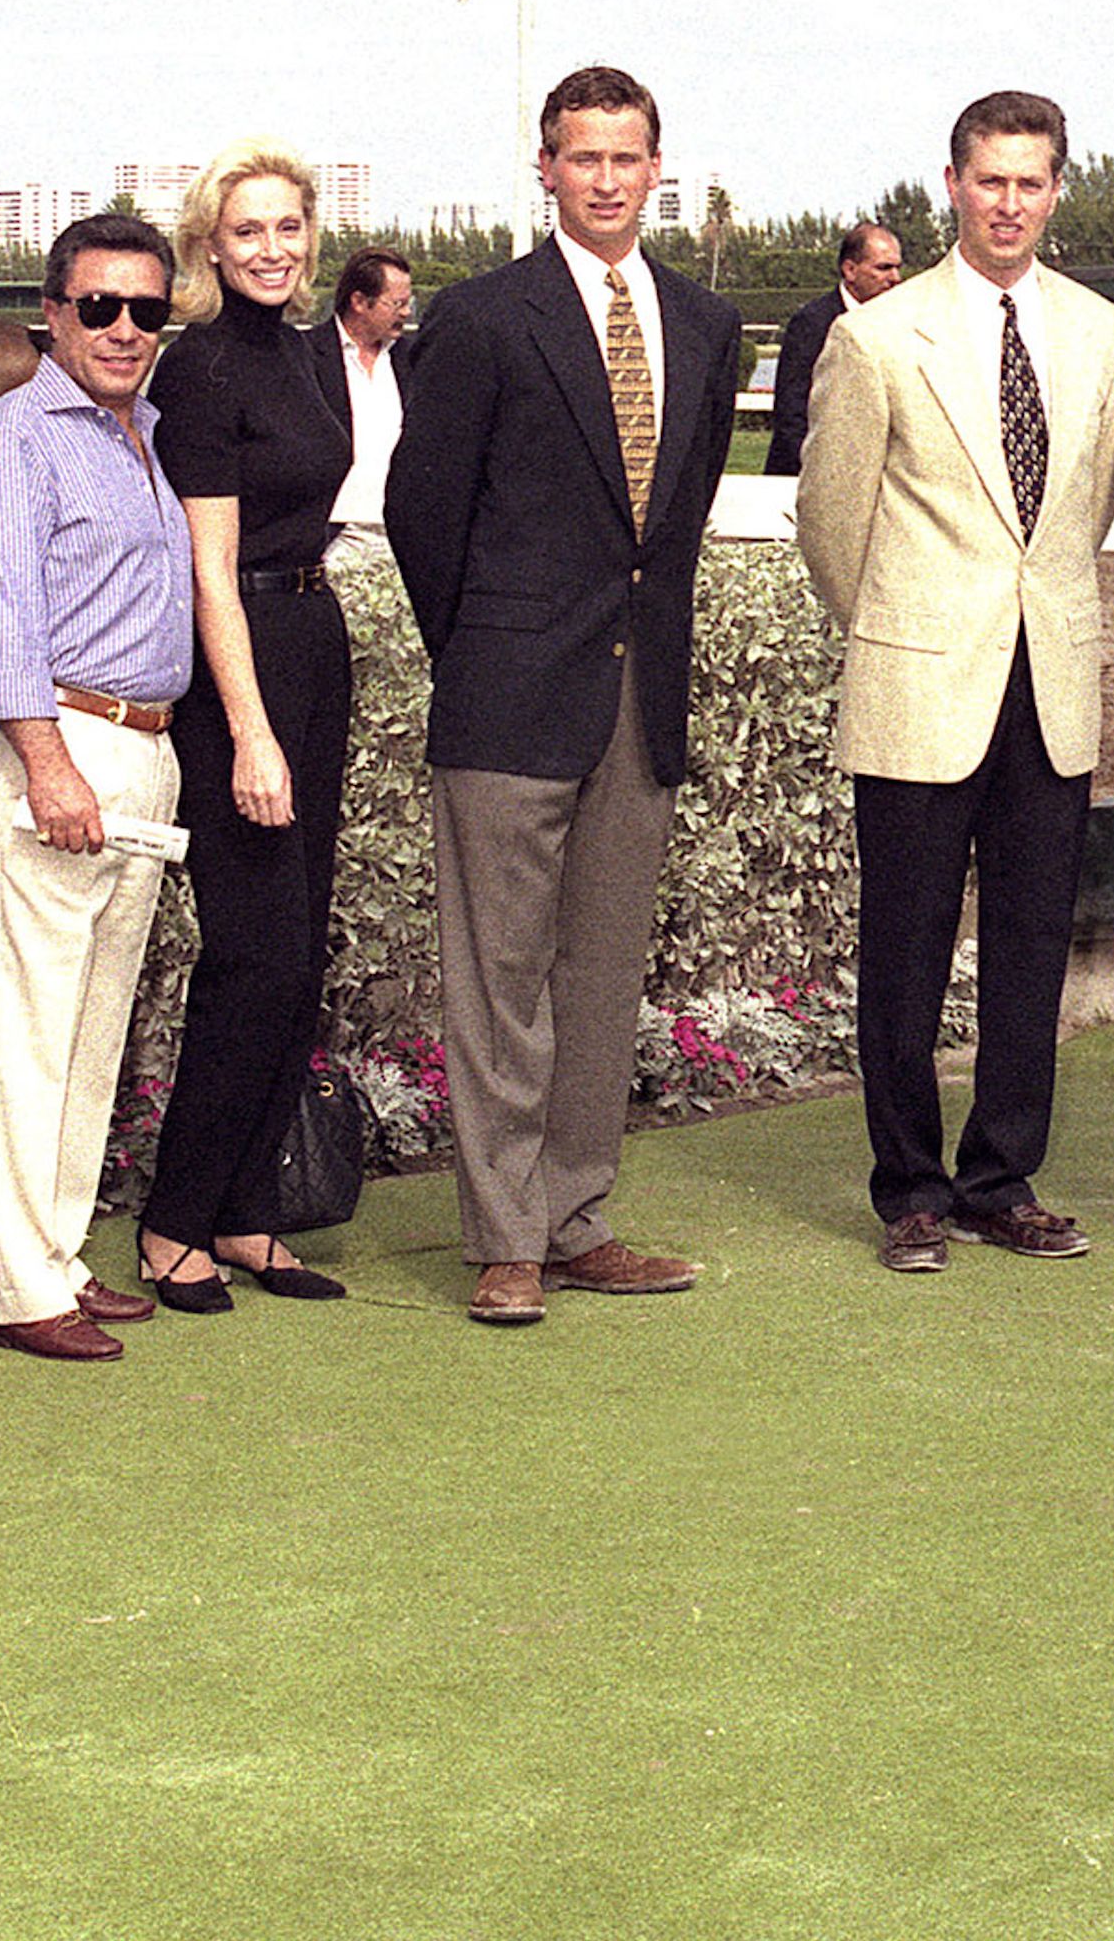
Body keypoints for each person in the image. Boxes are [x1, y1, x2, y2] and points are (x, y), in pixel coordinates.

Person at [386, 67, 742, 1328]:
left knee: (599, 977)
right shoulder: (483, 318)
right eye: (580, 157)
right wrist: (487, 645)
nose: (604, 178)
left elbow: (681, 516)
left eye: (625, 157)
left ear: (658, 168)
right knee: (500, 977)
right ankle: (504, 1238)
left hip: (638, 699)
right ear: (544, 167)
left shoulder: (702, 324)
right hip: (504, 696)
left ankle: (577, 1218)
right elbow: (423, 514)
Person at [798, 90, 1114, 1272]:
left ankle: (1002, 1179)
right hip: (916, 686)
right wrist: (908, 629)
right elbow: (831, 528)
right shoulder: (880, 335)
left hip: (1051, 685)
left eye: (1029, 181)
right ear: (950, 184)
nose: (1008, 202)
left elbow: (1081, 517)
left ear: (1055, 189)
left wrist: (1021, 611)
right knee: (904, 950)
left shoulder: (1104, 332)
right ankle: (910, 1193)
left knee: (1033, 949)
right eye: (987, 180)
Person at [0, 211, 194, 1362]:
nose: (124, 328)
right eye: (100, 305)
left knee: (94, 1029)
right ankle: (9, 1288)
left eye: (147, 308)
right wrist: (47, 764)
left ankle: (52, 1255)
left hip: (142, 748)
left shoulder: (143, 432)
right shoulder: (12, 439)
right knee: (26, 1026)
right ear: (51, 311)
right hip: (55, 747)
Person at [134, 142, 356, 1313]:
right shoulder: (204, 368)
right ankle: (173, 1220)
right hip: (245, 665)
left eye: (286, 227)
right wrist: (250, 732)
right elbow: (208, 573)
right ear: (208, 247)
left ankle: (244, 1211)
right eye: (246, 230)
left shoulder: (311, 354)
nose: (270, 248)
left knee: (301, 950)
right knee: (254, 955)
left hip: (318, 646)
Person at [763, 220, 903, 477]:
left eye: (897, 267)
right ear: (850, 270)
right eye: (884, 268)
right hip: (805, 477)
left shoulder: (899, 322)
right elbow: (792, 413)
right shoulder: (812, 323)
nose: (895, 278)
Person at [322, 244, 414, 553]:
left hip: (402, 537)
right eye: (397, 303)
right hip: (329, 540)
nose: (407, 312)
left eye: (408, 302)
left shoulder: (414, 359)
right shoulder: (305, 357)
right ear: (359, 302)